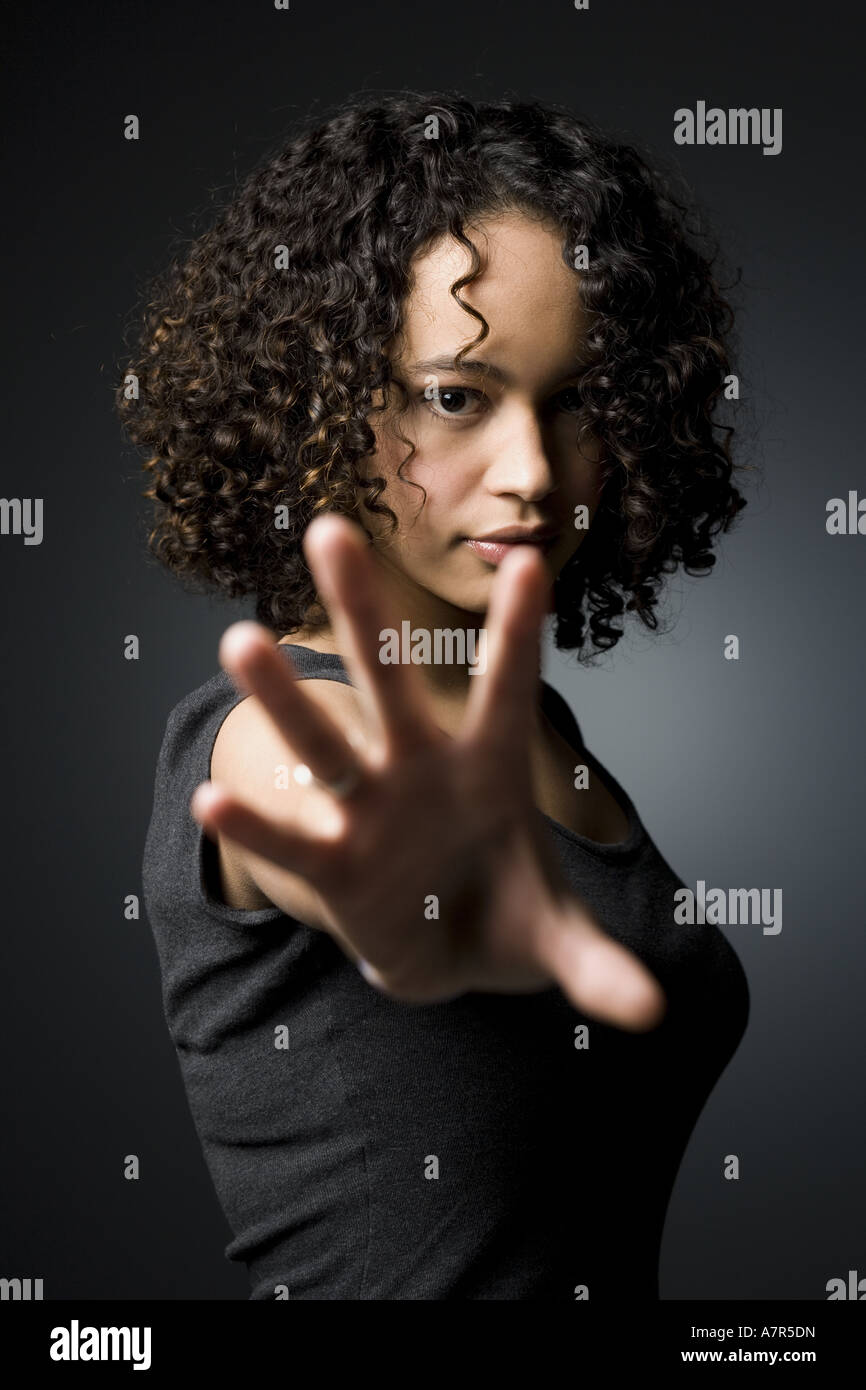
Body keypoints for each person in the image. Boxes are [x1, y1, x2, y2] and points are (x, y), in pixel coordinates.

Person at [118, 90, 751, 1300]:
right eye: (454, 396)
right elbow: (328, 808)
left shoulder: (538, 730)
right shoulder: (260, 736)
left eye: (572, 401)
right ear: (318, 398)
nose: (528, 473)